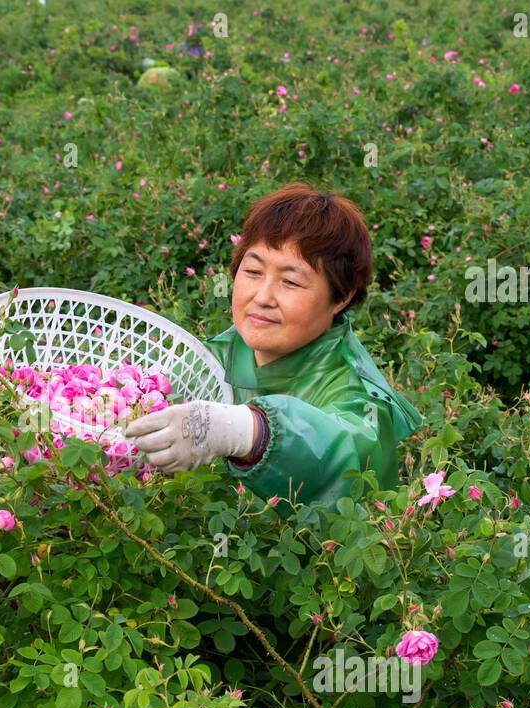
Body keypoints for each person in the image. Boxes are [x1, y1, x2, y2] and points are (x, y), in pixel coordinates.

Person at [124, 181, 423, 513]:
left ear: (342, 297)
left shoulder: (358, 396)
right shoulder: (213, 359)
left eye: (290, 282)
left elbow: (346, 451)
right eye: (252, 271)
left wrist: (244, 431)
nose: (263, 297)